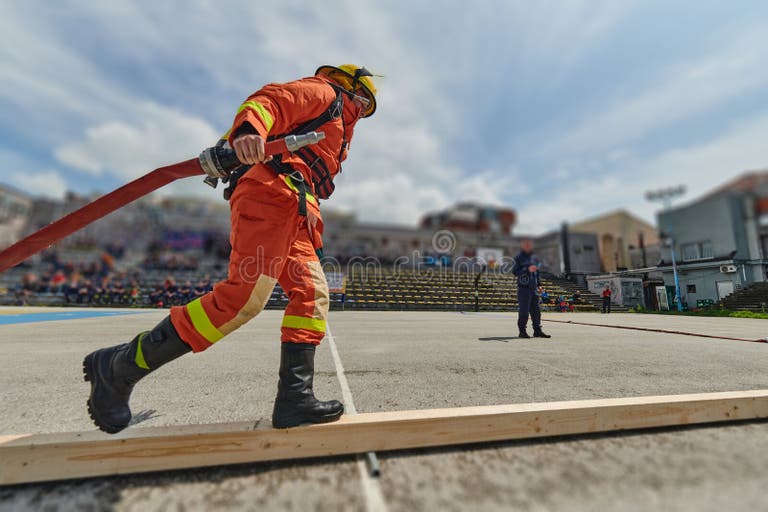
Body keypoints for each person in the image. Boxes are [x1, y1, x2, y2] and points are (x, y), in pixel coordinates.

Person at [83, 64, 378, 434]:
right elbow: (271, 100)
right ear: (348, 86)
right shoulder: (326, 94)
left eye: (368, 107)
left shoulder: (340, 128)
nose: (363, 110)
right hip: (271, 193)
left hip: (296, 210)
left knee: (313, 294)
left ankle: (294, 399)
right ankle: (120, 367)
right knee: (243, 299)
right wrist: (251, 131)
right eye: (363, 99)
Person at [511, 239, 551, 338]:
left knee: (536, 311)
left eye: (530, 244)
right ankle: (522, 331)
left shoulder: (535, 258)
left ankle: (537, 331)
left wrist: (539, 284)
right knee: (524, 311)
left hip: (534, 289)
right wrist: (526, 269)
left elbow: (537, 273)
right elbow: (515, 272)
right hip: (524, 288)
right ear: (523, 245)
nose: (528, 246)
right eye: (526, 244)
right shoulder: (518, 258)